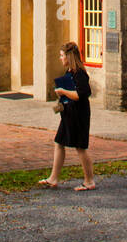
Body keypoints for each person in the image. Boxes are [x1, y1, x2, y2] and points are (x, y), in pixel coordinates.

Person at [39, 41, 97, 191]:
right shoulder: (69, 73)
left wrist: (63, 91)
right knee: (59, 142)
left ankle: (89, 181)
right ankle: (53, 178)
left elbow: (81, 94)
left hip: (79, 114)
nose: (60, 58)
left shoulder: (80, 74)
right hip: (68, 113)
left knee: (80, 147)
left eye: (62, 55)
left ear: (69, 56)